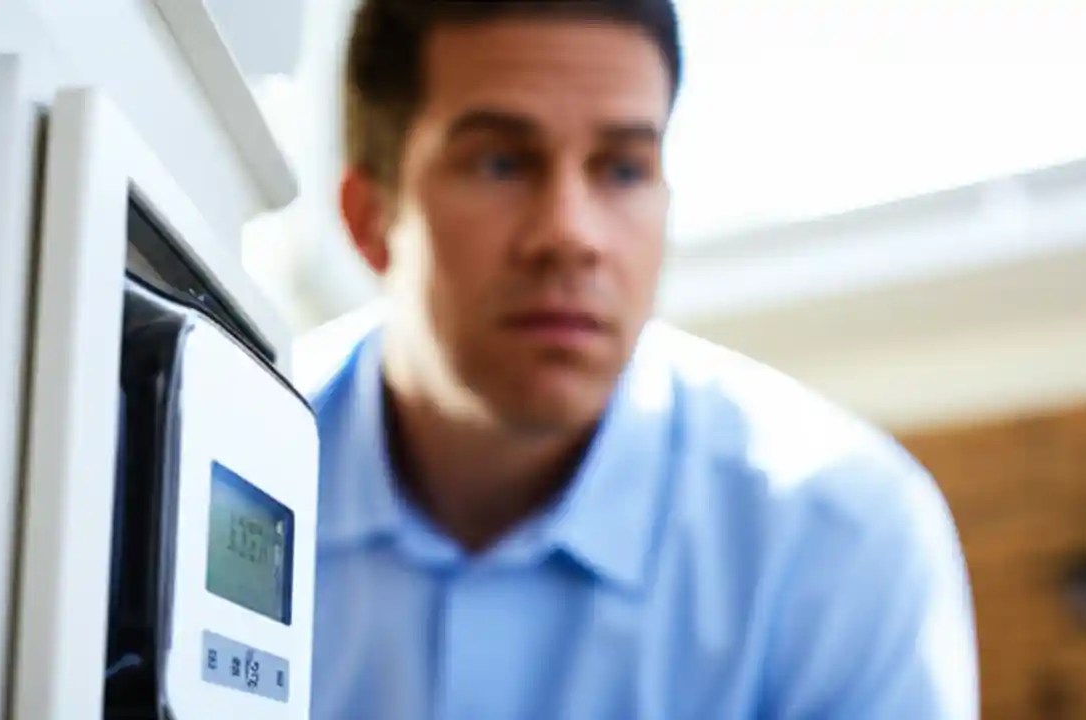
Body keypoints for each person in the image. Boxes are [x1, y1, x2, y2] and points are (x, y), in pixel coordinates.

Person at [293, 1, 979, 718]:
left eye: (623, 169)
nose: (571, 234)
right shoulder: (212, 468)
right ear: (371, 217)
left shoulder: (839, 541)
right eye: (500, 162)